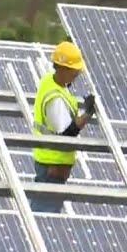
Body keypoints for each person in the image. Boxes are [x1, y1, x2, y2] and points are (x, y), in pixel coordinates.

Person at [31, 41, 96, 214]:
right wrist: (88, 114)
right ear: (62, 68)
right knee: (45, 215)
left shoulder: (50, 81)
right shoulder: (55, 99)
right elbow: (66, 134)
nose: (77, 74)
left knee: (42, 211)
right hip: (53, 166)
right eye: (74, 71)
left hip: (49, 163)